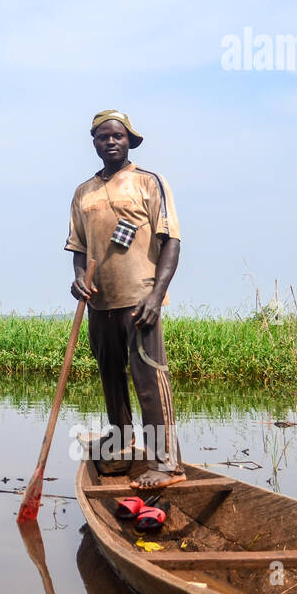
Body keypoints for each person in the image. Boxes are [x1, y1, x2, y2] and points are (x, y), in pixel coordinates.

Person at [64, 110, 184, 490]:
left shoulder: (149, 182)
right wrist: (79, 278)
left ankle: (166, 464)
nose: (111, 142)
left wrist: (156, 294)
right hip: (100, 304)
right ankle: (123, 442)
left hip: (139, 300)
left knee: (149, 378)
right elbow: (79, 248)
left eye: (117, 136)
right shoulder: (84, 192)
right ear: (95, 144)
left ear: (129, 141)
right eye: (103, 137)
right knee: (110, 376)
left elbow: (171, 241)